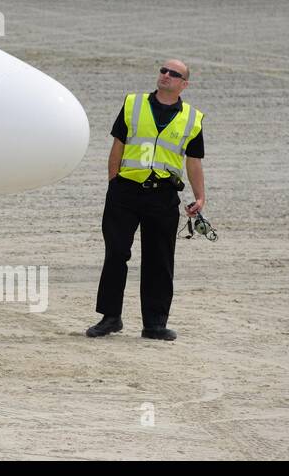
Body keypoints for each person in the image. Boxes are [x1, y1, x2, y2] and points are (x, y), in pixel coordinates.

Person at [87, 60, 205, 341]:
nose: (165, 75)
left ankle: (154, 324)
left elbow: (194, 161)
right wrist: (113, 183)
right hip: (125, 192)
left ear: (183, 84)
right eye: (163, 70)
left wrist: (200, 196)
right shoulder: (133, 104)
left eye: (173, 74)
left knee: (159, 260)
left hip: (163, 196)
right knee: (116, 253)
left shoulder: (193, 118)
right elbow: (118, 146)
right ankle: (110, 317)